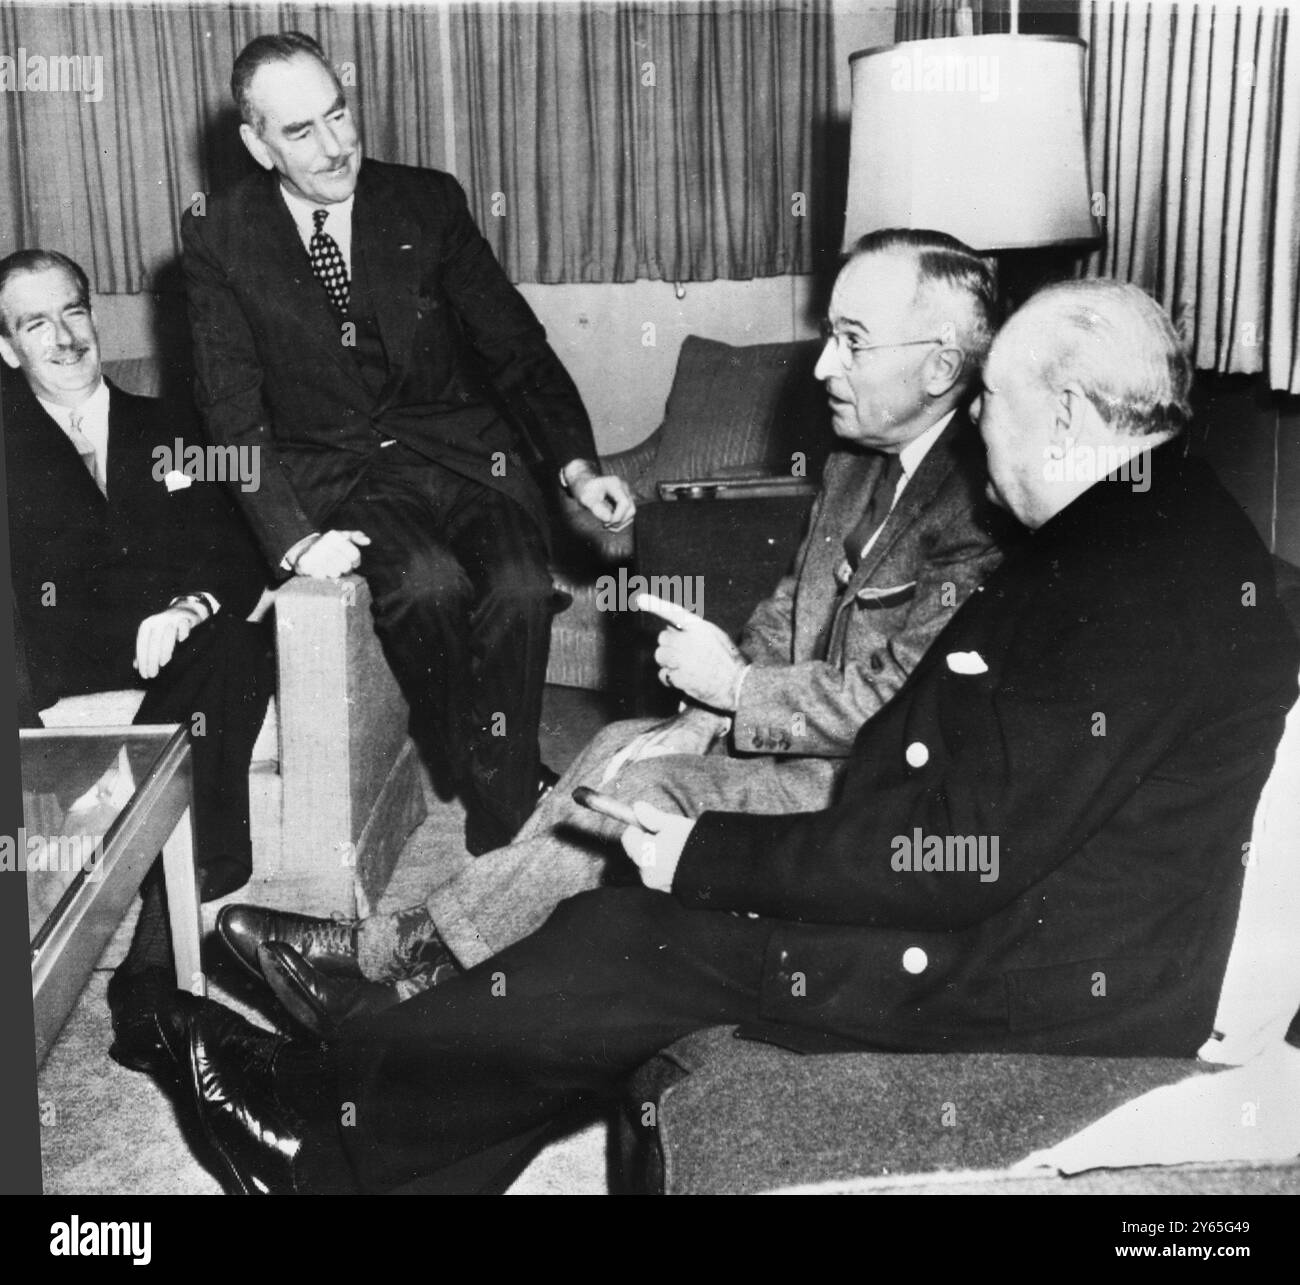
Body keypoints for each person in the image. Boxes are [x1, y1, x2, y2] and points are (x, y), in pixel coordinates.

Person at [175, 277, 1300, 1196]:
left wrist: (707, 855)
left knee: (629, 936)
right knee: (617, 930)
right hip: (1021, 925)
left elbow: (971, 852)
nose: (977, 429)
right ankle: (355, 1141)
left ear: (1061, 416)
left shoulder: (1136, 578)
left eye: (991, 400)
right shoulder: (1146, 526)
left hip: (1037, 979)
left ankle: (317, 1137)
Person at [214, 228, 1022, 1035]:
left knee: (641, 790)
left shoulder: (979, 502)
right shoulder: (858, 462)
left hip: (879, 790)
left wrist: (734, 690)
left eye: (852, 343)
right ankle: (411, 954)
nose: (820, 368)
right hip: (805, 743)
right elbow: (787, 609)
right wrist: (703, 718)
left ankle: (405, 980)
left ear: (942, 366)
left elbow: (902, 697)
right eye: (828, 338)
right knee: (616, 749)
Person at [181, 32, 635, 855]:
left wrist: (576, 463)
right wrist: (291, 539)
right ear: (256, 144)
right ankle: (501, 791)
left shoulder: (427, 201)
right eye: (300, 132)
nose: (334, 146)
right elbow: (228, 407)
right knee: (425, 587)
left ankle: (493, 802)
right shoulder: (221, 235)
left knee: (524, 586)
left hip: (463, 454)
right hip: (343, 476)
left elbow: (514, 347)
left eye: (340, 115)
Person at [0, 249, 274, 1073]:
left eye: (73, 311)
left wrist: (188, 606)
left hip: (175, 645)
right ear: (8, 349)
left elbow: (242, 550)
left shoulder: (175, 427)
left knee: (235, 635)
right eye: (34, 323)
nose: (64, 335)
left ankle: (154, 945)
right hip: (48, 657)